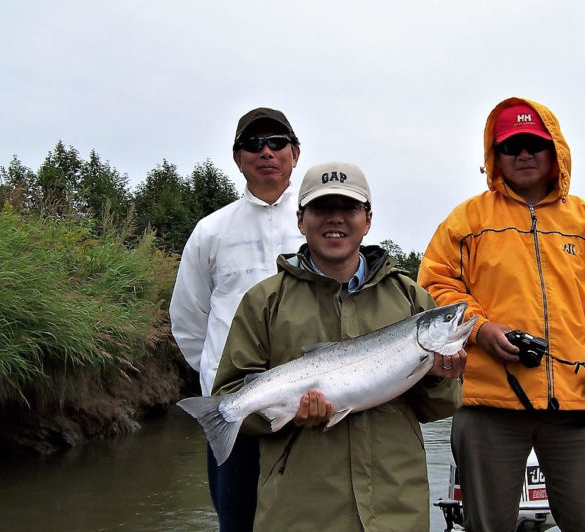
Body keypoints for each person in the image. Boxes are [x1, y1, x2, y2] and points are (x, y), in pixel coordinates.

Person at [418, 97, 585, 532]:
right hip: (487, 406)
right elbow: (435, 286)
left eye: (534, 144)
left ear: (554, 151)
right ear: (495, 155)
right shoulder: (466, 221)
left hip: (581, 405)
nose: (523, 154)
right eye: (510, 146)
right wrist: (480, 330)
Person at [212, 161, 467, 531]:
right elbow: (230, 393)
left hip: (396, 508)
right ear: (301, 220)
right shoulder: (263, 301)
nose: (336, 218)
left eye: (348, 208)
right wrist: (284, 411)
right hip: (298, 513)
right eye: (321, 208)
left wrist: (441, 377)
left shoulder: (412, 298)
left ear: (367, 220)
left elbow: (438, 408)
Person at [169, 107, 305, 531]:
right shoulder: (210, 231)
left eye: (277, 142)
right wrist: (219, 375)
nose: (266, 152)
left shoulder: (319, 223)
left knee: (310, 517)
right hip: (235, 412)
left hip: (308, 404)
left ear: (295, 153)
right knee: (237, 520)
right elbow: (189, 318)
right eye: (253, 144)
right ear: (237, 158)